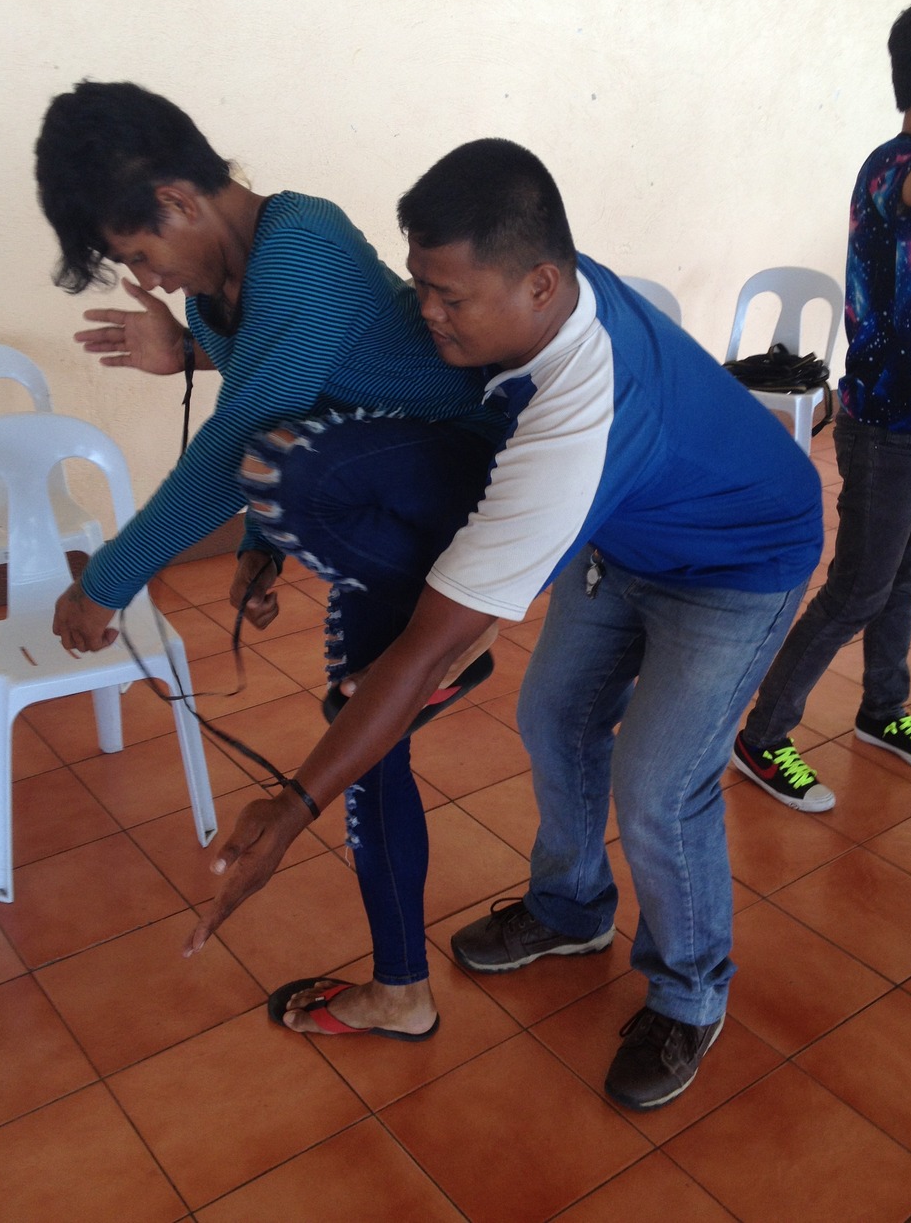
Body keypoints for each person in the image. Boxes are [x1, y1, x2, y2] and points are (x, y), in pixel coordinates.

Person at [185, 137, 823, 1111]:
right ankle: (571, 908)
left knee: (659, 785)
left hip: (741, 558)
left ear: (539, 283)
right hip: (627, 535)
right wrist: (200, 345)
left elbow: (430, 646)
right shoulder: (533, 305)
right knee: (554, 719)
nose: (427, 316)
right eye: (420, 288)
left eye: (448, 298)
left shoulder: (575, 419)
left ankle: (688, 994)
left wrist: (292, 808)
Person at [34, 82, 506, 1034]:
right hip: (384, 492)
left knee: (270, 470)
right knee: (367, 742)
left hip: (448, 478)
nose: (153, 278)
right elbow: (291, 396)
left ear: (177, 199)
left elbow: (241, 441)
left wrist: (108, 581)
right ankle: (403, 989)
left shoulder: (302, 243)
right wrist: (260, 543)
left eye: (142, 253)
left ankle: (449, 658)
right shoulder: (225, 290)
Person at [731, 0, 911, 813]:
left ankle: (883, 711)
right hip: (887, 426)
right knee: (857, 587)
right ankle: (762, 734)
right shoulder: (896, 169)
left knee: (906, 580)